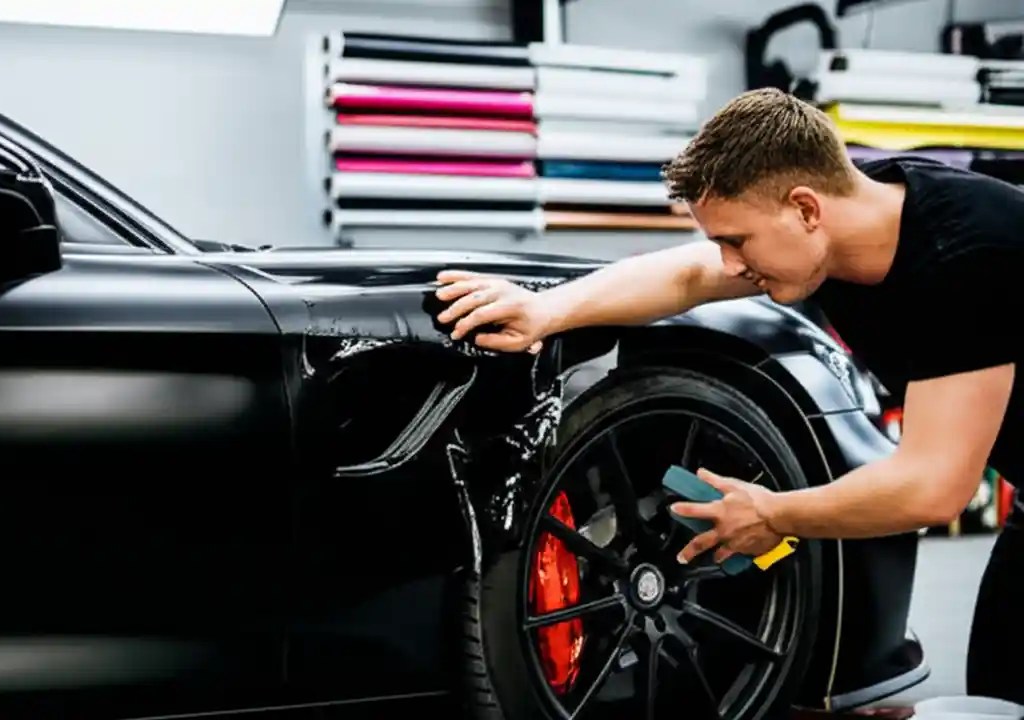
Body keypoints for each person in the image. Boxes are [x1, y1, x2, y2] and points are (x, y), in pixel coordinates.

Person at [433, 87, 1024, 703]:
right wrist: (544, 310)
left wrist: (773, 513)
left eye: (737, 241)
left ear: (806, 209)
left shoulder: (961, 261)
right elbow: (689, 276)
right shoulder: (852, 209)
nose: (731, 264)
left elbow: (933, 486)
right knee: (1001, 688)